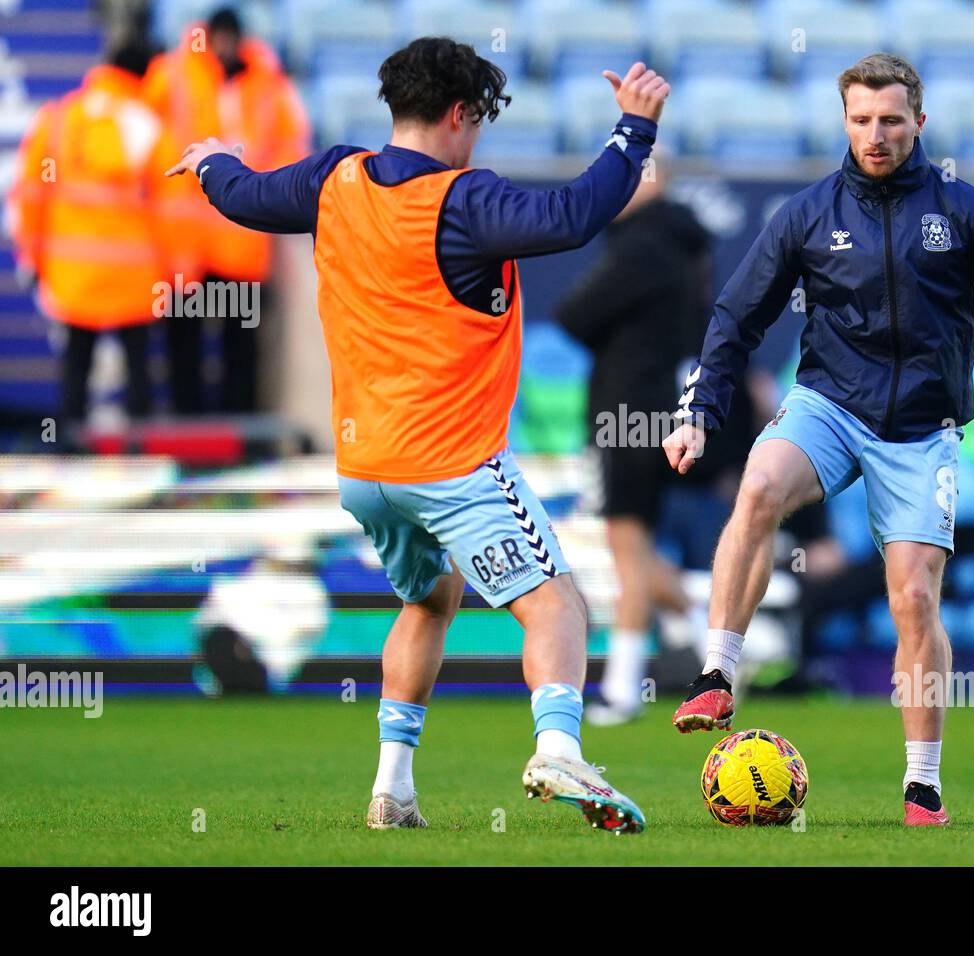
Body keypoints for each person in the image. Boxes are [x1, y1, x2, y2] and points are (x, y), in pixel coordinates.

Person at [166, 37, 669, 833]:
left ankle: (392, 787)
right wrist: (633, 130)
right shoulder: (465, 202)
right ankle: (559, 748)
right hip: (453, 462)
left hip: (365, 469)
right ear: (459, 113)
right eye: (480, 119)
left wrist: (210, 162)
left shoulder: (335, 178)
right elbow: (573, 215)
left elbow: (245, 197)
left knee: (429, 602)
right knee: (557, 605)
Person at [660, 53, 974, 826]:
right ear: (845, 122)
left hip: (923, 429)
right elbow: (735, 317)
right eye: (861, 120)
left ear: (918, 123)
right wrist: (701, 410)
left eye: (891, 120)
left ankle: (922, 785)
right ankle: (718, 670)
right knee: (759, 486)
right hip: (828, 401)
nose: (876, 134)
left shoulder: (963, 209)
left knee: (915, 599)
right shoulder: (808, 212)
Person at [553, 161, 717, 724]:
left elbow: (574, 315)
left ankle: (622, 689)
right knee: (638, 548)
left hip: (623, 413)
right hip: (665, 413)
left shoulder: (639, 248)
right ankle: (711, 626)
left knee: (626, 550)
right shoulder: (686, 249)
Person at [144, 6, 310, 413]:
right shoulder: (173, 74)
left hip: (241, 238)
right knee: (184, 341)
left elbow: (291, 146)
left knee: (241, 342)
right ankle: (188, 427)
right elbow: (144, 137)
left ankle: (241, 431)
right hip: (186, 243)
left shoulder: (269, 85)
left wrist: (269, 196)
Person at [6, 42, 179, 427]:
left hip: (72, 275)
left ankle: (68, 455)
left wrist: (30, 258)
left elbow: (31, 195)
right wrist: (176, 271)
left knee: (75, 371)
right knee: (139, 377)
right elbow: (170, 208)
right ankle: (142, 460)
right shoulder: (149, 126)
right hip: (134, 276)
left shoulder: (57, 118)